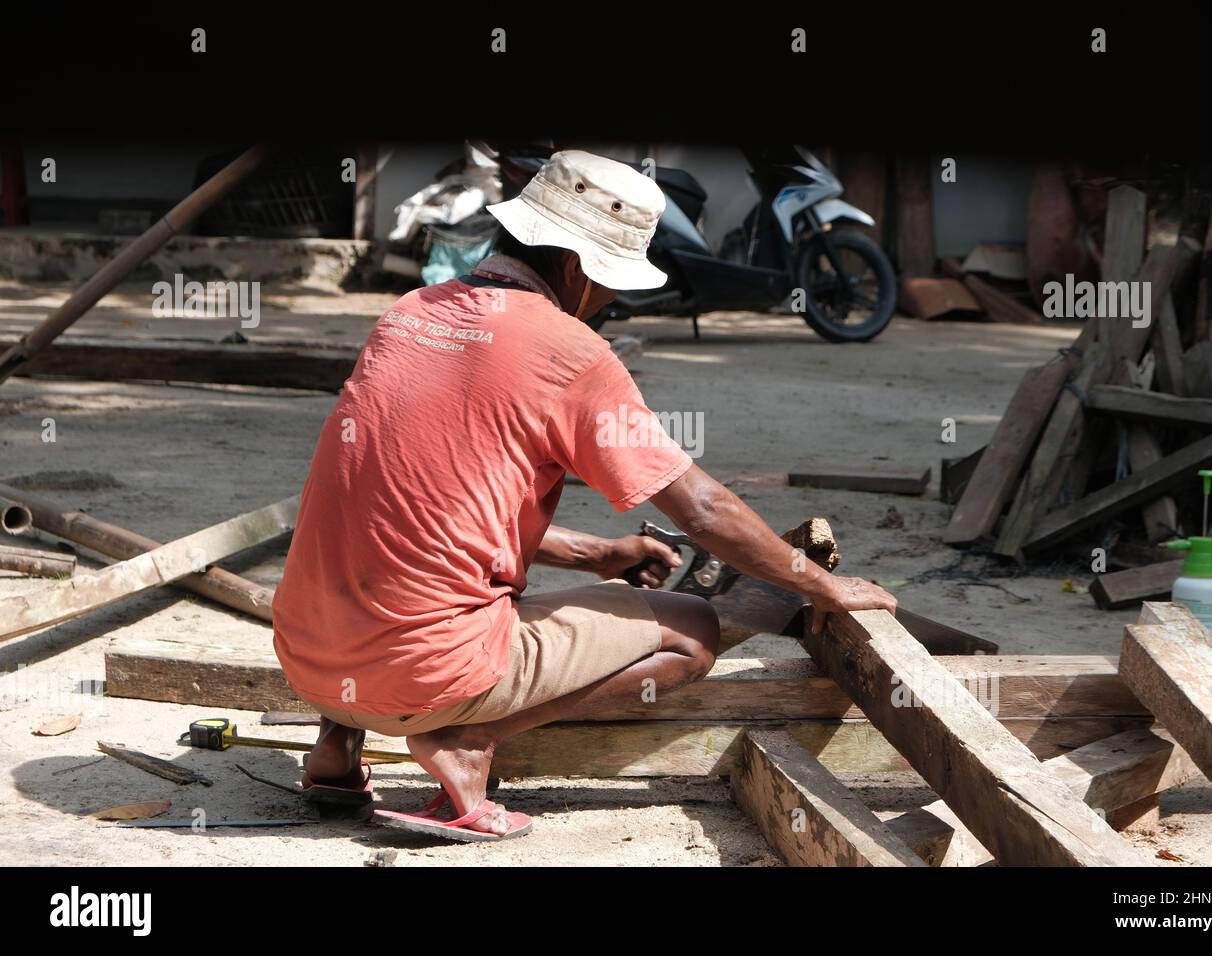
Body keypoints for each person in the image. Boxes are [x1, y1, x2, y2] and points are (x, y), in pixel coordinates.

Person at [272, 149, 896, 840]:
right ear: (576, 267)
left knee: (363, 530)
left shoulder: (407, 317)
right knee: (692, 631)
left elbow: (419, 506)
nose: (608, 303)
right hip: (423, 678)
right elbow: (702, 509)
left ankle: (335, 750)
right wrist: (819, 585)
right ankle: (469, 742)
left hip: (308, 658)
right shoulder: (569, 351)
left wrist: (600, 553)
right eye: (608, 285)